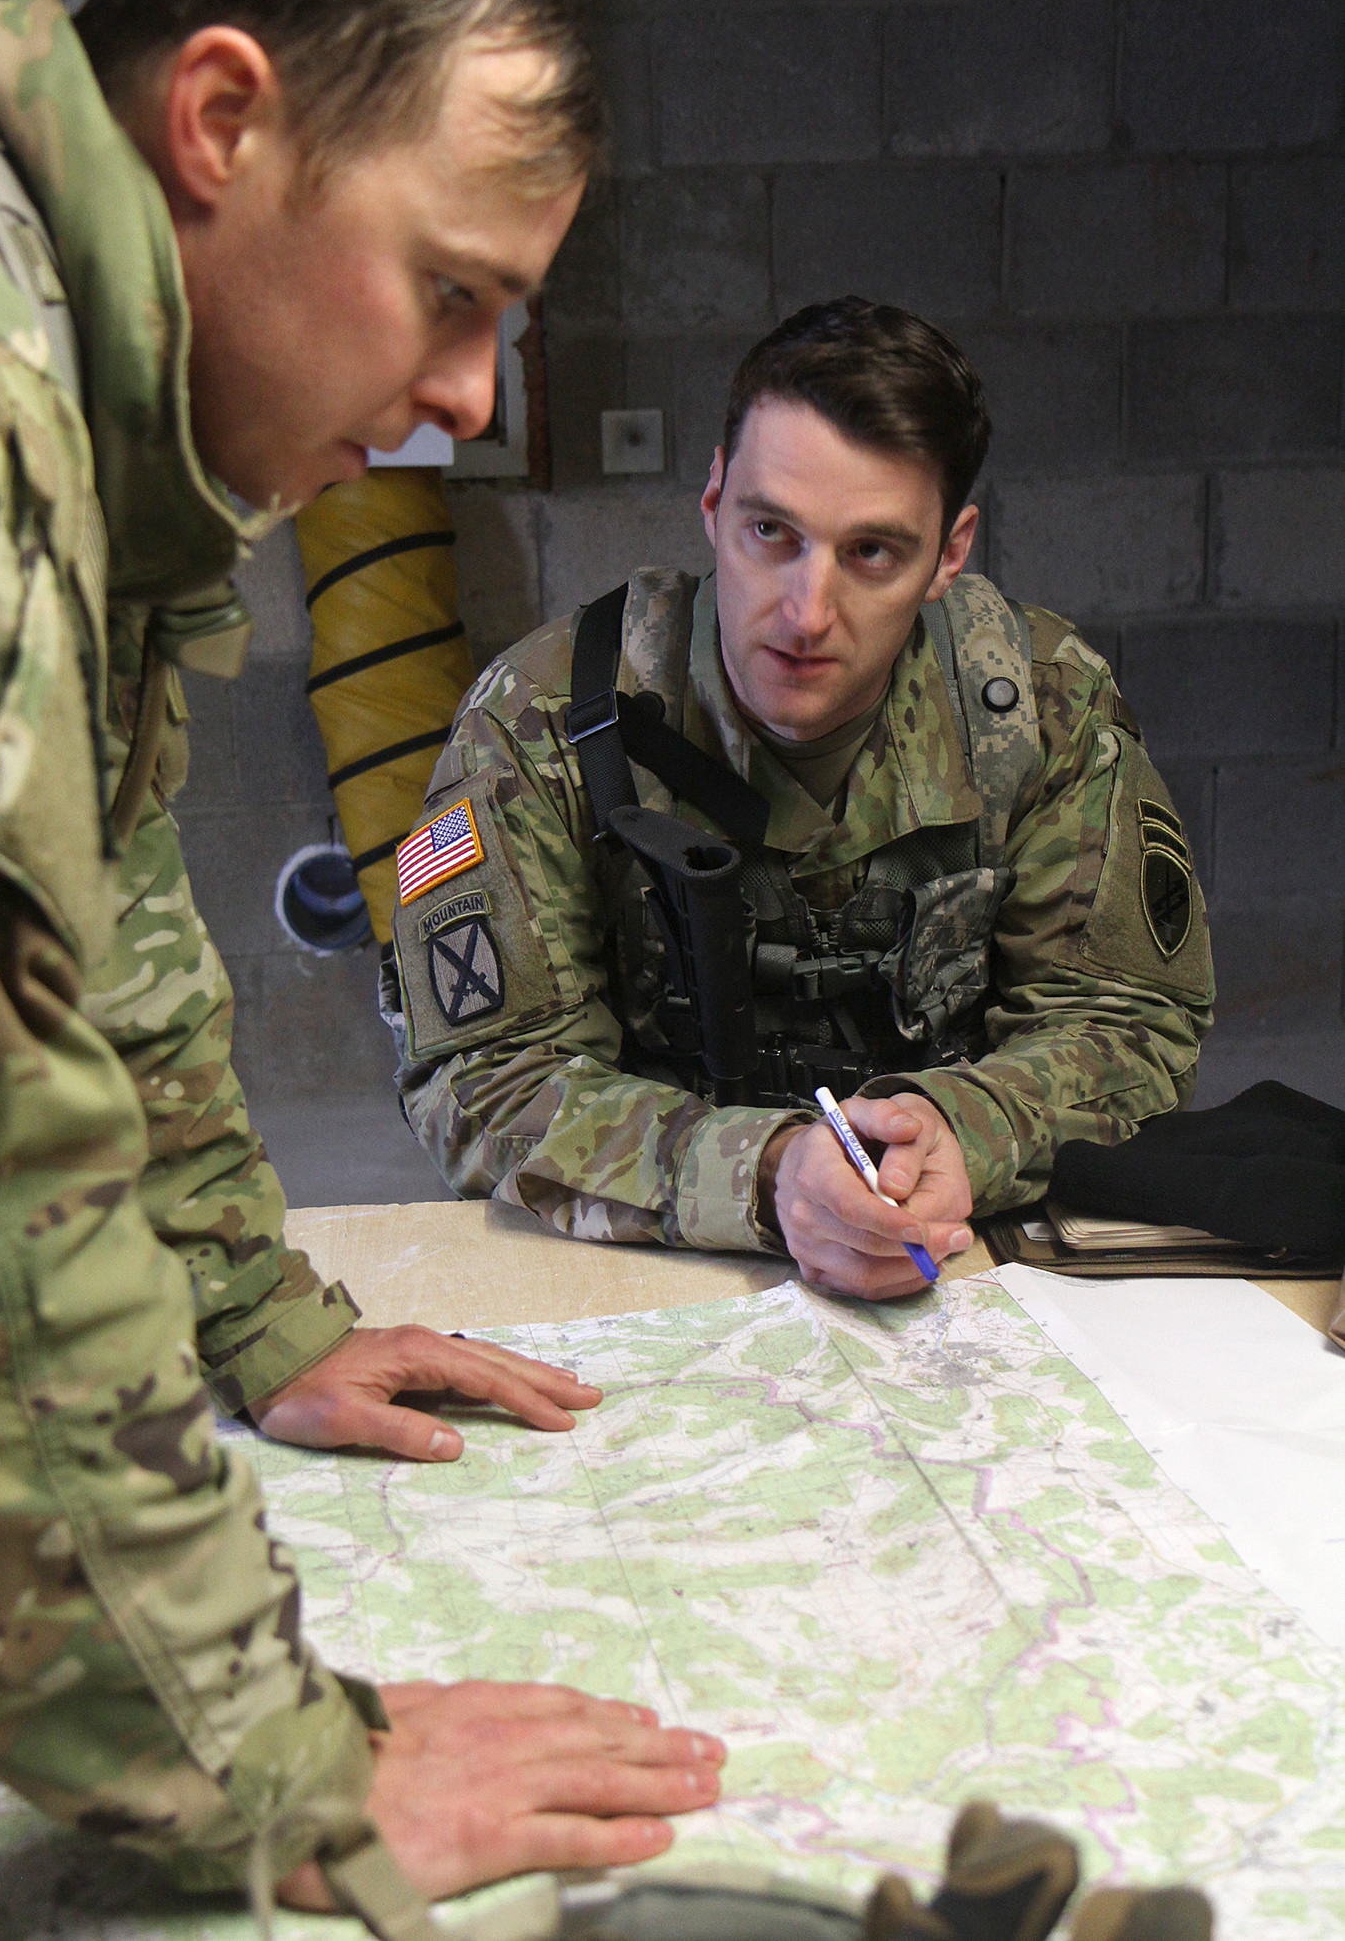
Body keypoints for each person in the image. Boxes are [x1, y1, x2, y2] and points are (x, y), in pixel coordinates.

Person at [0, 0, 725, 1924]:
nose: (466, 402)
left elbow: (97, 920)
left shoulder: (60, 380)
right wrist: (277, 1764)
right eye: (450, 293)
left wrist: (246, 1306)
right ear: (225, 122)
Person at [386, 299, 1216, 1299]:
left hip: (953, 1242)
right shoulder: (545, 719)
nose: (806, 613)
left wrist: (965, 1131)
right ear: (712, 502)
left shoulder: (1038, 709)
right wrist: (769, 1172)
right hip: (657, 1256)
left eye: (871, 552)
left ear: (950, 554)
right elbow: (486, 1079)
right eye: (770, 532)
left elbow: (1132, 1021)